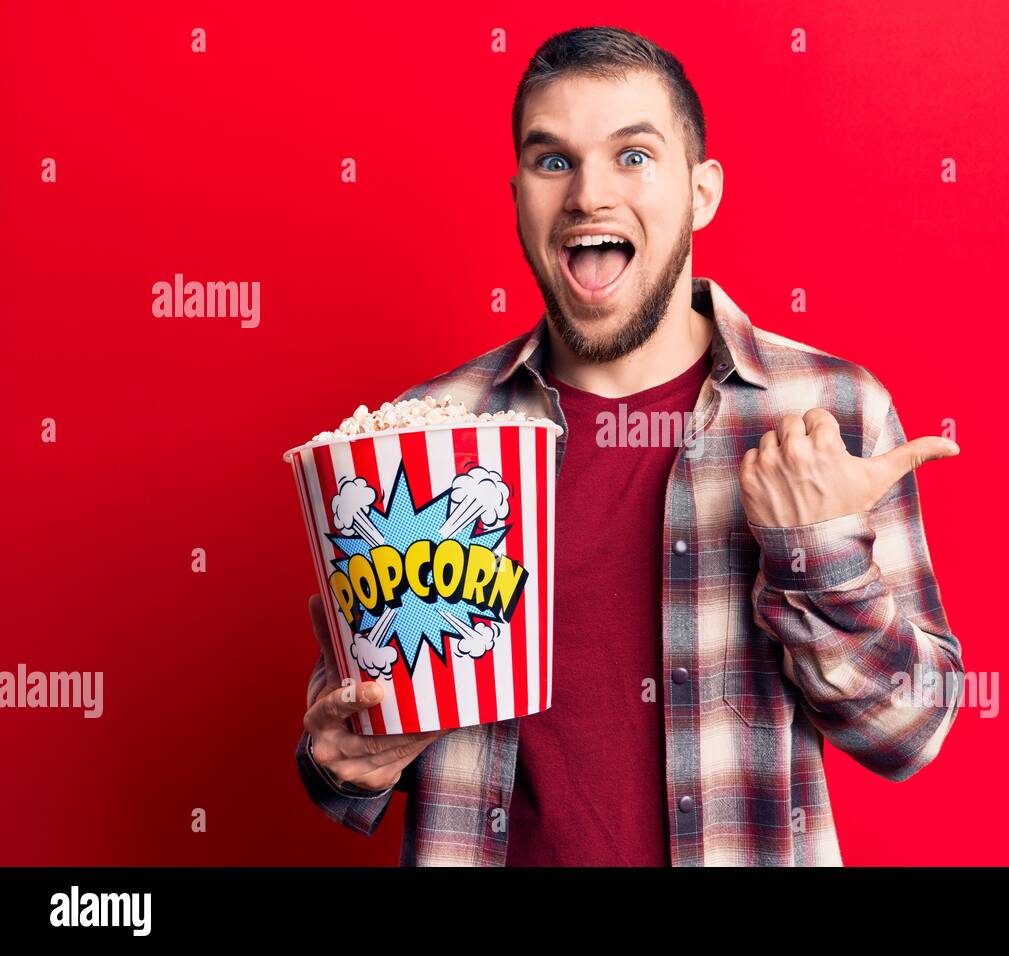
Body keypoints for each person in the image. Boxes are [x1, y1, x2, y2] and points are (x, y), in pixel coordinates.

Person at [296, 25, 963, 866]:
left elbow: (909, 733)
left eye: (634, 157)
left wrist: (817, 551)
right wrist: (343, 765)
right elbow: (343, 757)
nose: (588, 197)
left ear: (703, 192)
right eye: (553, 162)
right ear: (518, 200)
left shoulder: (831, 412)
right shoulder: (421, 432)